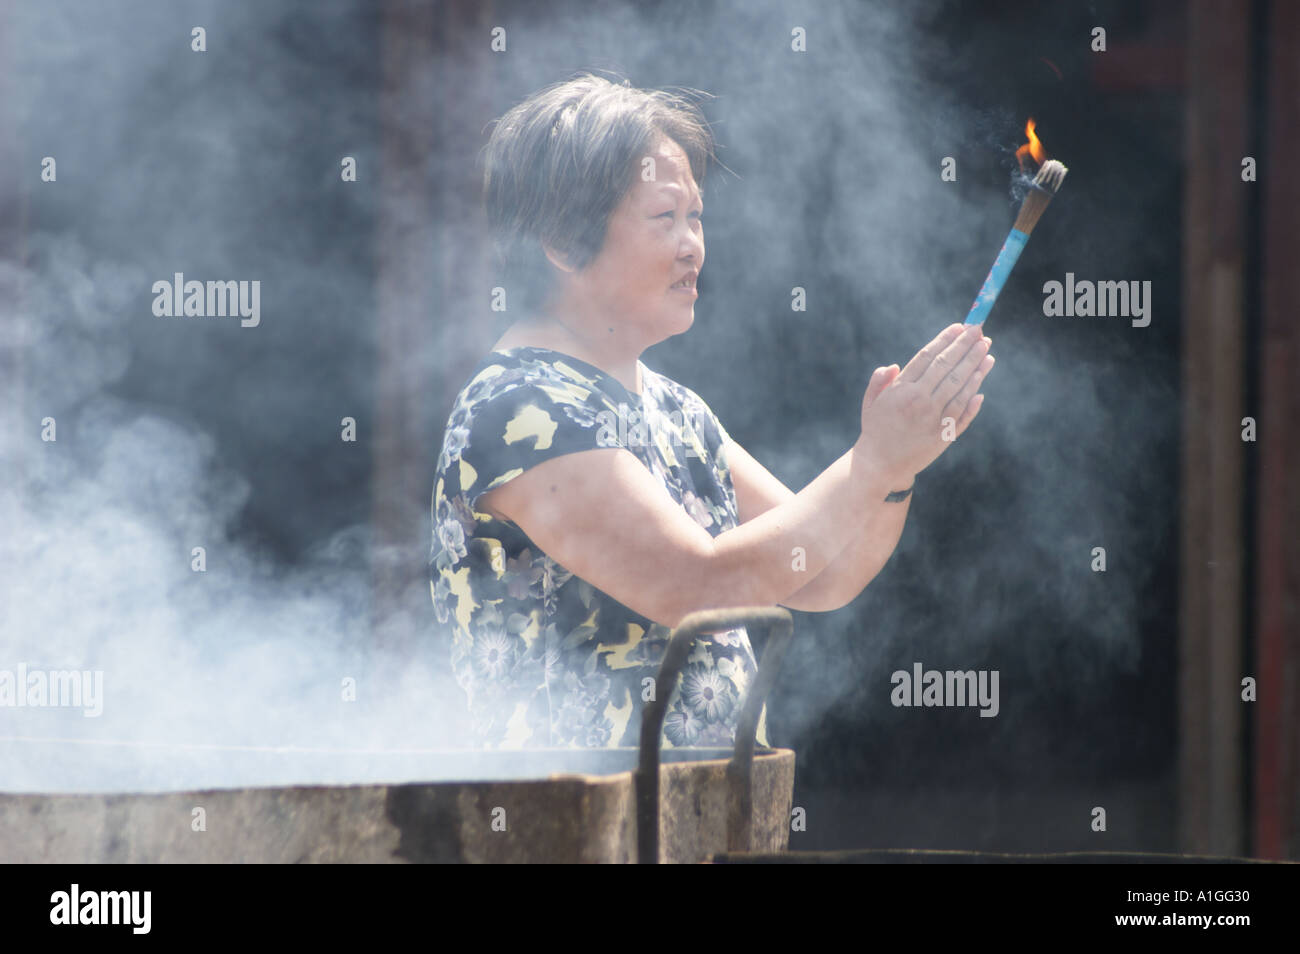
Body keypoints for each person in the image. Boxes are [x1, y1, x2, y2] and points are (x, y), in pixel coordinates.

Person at [430, 73, 994, 750]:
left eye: (695, 217)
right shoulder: (520, 408)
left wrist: (897, 469)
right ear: (561, 239)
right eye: (664, 218)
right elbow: (694, 586)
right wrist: (870, 464)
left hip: (687, 826)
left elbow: (827, 571)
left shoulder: (676, 408)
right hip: (564, 830)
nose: (693, 244)